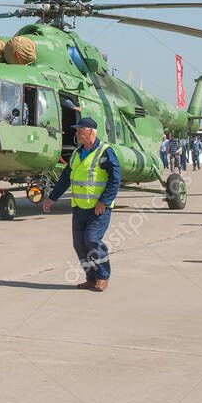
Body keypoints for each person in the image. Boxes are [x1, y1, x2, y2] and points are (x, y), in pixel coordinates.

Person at [42, 117, 120, 292]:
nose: (76, 133)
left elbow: (115, 179)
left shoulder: (105, 152)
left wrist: (105, 201)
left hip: (98, 208)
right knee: (79, 244)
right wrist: (52, 198)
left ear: (91, 132)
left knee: (92, 240)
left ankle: (102, 277)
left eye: (80, 130)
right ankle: (91, 278)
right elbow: (65, 179)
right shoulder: (77, 153)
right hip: (79, 207)